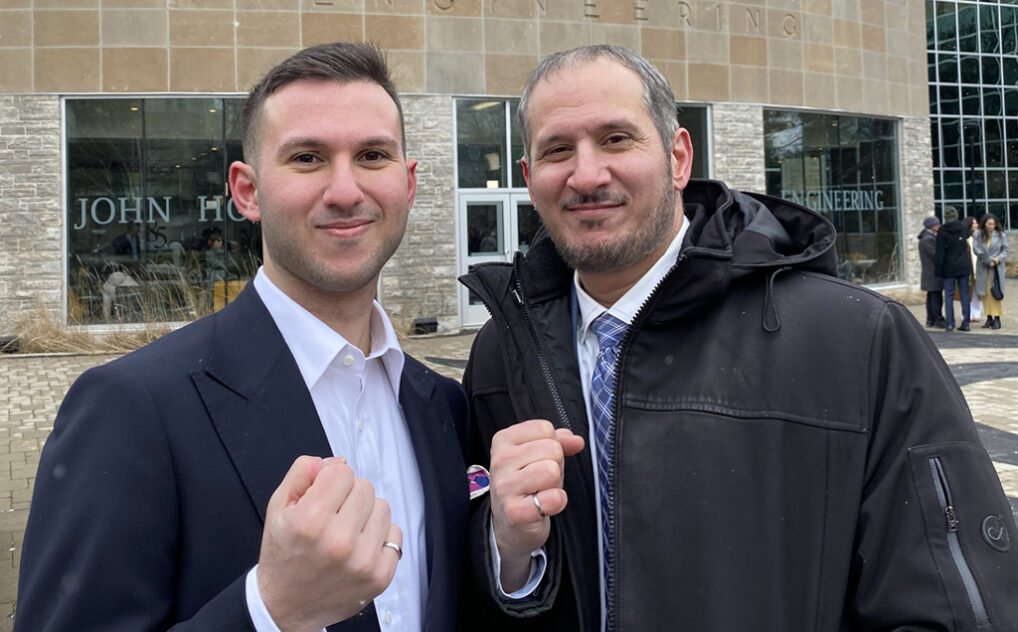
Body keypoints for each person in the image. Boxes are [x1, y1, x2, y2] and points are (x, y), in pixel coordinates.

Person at [459, 45, 1018, 631]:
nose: (587, 174)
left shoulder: (856, 341)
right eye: (557, 150)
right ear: (529, 179)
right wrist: (509, 560)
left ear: (678, 158)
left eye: (616, 139)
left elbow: (950, 605)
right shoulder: (501, 356)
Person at [17, 42, 469, 632]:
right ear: (247, 191)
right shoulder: (132, 409)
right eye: (307, 158)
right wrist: (271, 610)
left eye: (372, 155)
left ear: (407, 185)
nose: (344, 190)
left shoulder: (442, 406)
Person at [935, 205, 973, 331]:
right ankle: (966, 323)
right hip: (963, 265)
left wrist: (938, 270)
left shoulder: (942, 231)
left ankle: (950, 323)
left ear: (945, 217)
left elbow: (939, 252)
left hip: (948, 266)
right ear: (956, 216)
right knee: (964, 294)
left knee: (949, 295)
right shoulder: (963, 228)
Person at [973, 212, 1009, 329]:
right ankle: (989, 317)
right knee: (985, 293)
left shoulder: (1000, 235)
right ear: (984, 224)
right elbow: (976, 249)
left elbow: (1005, 250)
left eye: (993, 224)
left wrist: (998, 259)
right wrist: (988, 260)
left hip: (996, 268)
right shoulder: (978, 234)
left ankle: (997, 318)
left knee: (995, 293)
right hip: (984, 267)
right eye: (989, 224)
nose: (991, 226)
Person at [917, 215, 945, 328]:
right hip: (932, 273)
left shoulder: (929, 237)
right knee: (935, 298)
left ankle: (931, 319)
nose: (939, 226)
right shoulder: (928, 239)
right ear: (931, 226)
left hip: (931, 273)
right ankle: (937, 319)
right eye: (936, 224)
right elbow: (936, 255)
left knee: (932, 297)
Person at [966, 215, 984, 324]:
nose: (975, 225)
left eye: (976, 223)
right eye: (973, 223)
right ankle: (968, 313)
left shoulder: (980, 237)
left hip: (978, 267)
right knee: (968, 292)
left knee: (978, 292)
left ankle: (977, 313)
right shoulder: (965, 238)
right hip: (969, 268)